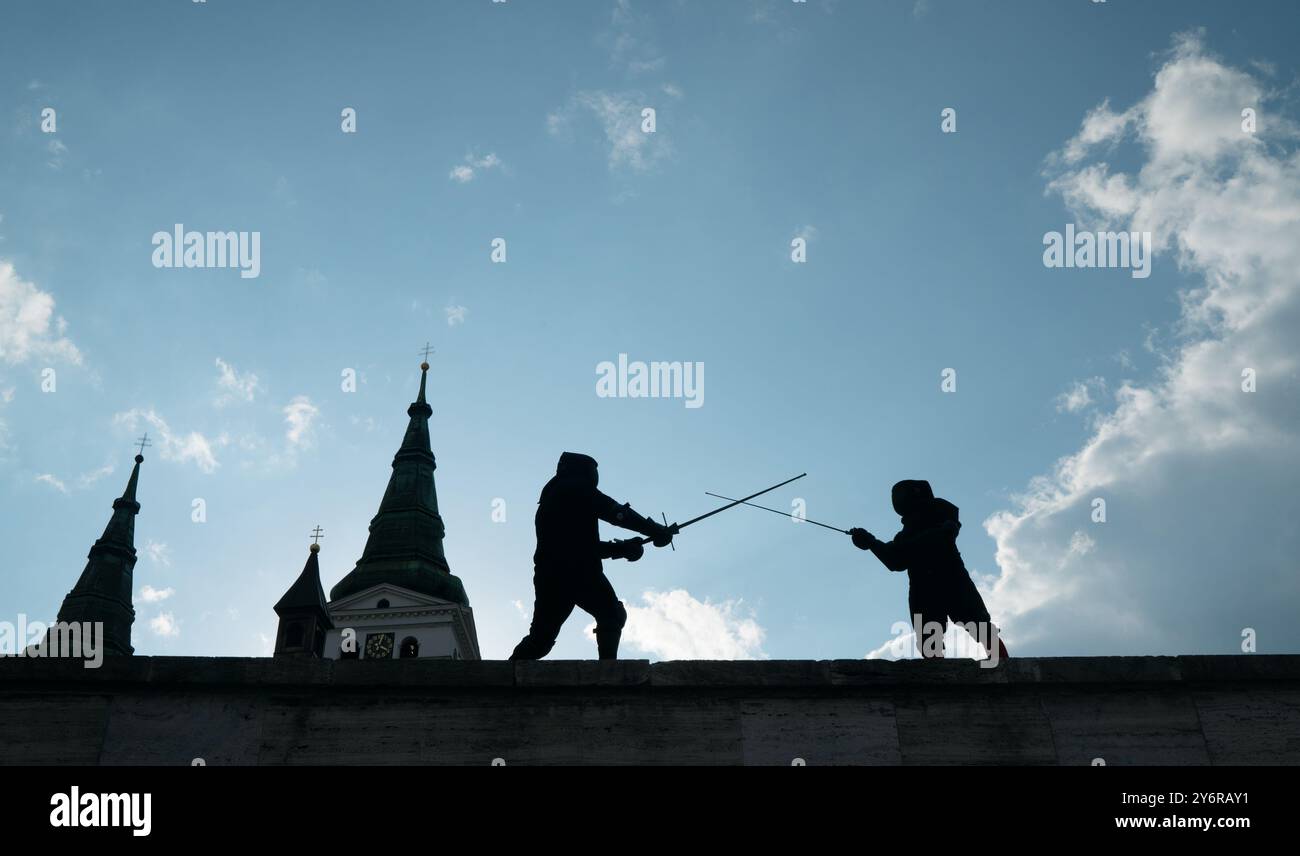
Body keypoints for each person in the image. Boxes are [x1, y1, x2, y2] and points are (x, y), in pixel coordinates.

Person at [509, 452, 676, 661]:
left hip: (553, 575)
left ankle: (501, 679)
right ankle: (608, 670)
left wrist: (622, 549)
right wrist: (652, 529)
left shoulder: (554, 497)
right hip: (578, 573)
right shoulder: (574, 489)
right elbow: (616, 513)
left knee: (541, 640)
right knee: (611, 614)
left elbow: (580, 546)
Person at [849, 479, 1009, 663]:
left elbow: (935, 540)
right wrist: (870, 542)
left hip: (951, 580)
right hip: (924, 588)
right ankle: (938, 677)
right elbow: (896, 561)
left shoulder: (941, 512)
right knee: (930, 639)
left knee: (979, 626)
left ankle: (1002, 666)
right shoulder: (904, 536)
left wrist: (875, 543)